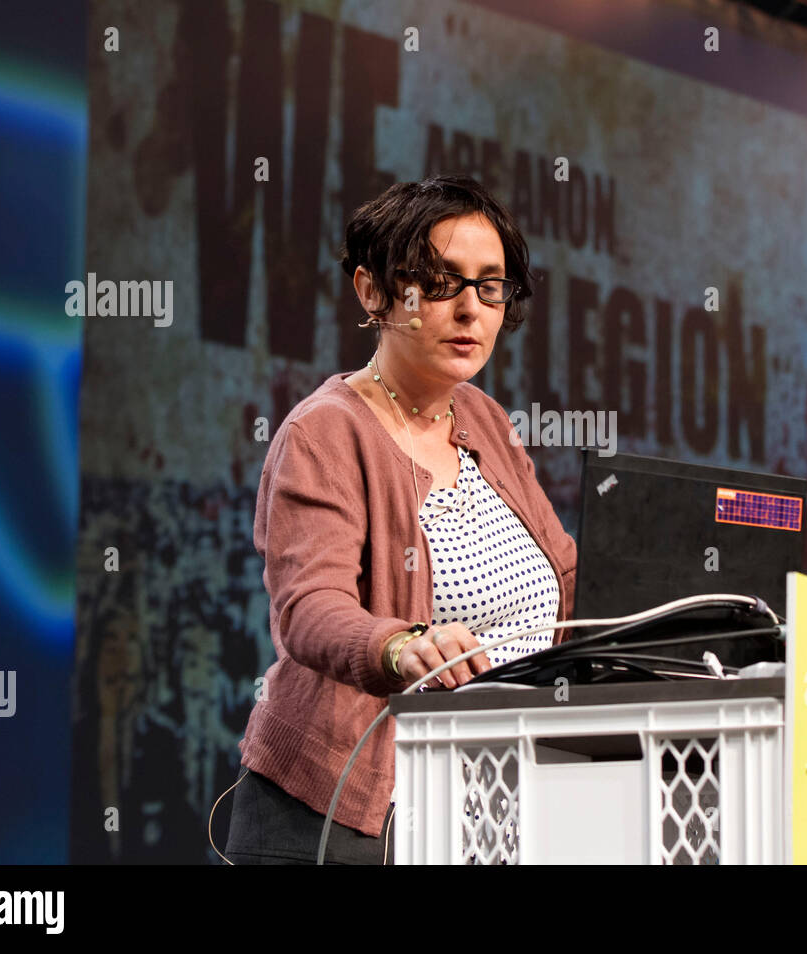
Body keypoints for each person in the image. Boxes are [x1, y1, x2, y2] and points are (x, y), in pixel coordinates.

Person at [219, 174, 577, 864]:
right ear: (372, 292)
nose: (471, 309)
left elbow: (560, 575)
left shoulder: (485, 421)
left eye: (490, 285)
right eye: (440, 283)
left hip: (479, 810)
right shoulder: (325, 433)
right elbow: (310, 607)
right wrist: (398, 646)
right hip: (338, 817)